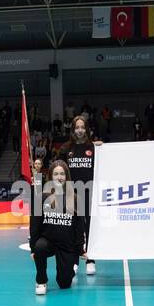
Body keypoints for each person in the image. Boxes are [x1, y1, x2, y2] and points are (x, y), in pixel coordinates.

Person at [30, 160, 85, 295]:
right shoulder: (41, 198)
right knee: (40, 247)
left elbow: (79, 227)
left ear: (66, 176)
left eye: (62, 174)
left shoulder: (76, 198)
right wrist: (33, 248)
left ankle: (69, 269)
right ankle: (41, 280)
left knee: (64, 283)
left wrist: (79, 249)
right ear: (51, 176)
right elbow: (35, 225)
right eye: (56, 174)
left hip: (67, 244)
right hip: (48, 241)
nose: (59, 177)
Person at [62, 115, 102, 274]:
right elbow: (59, 170)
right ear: (73, 130)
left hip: (90, 192)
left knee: (89, 225)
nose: (79, 130)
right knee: (72, 227)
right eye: (77, 127)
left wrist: (101, 148)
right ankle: (74, 259)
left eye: (82, 127)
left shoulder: (93, 148)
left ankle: (90, 258)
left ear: (87, 129)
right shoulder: (66, 149)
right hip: (71, 193)